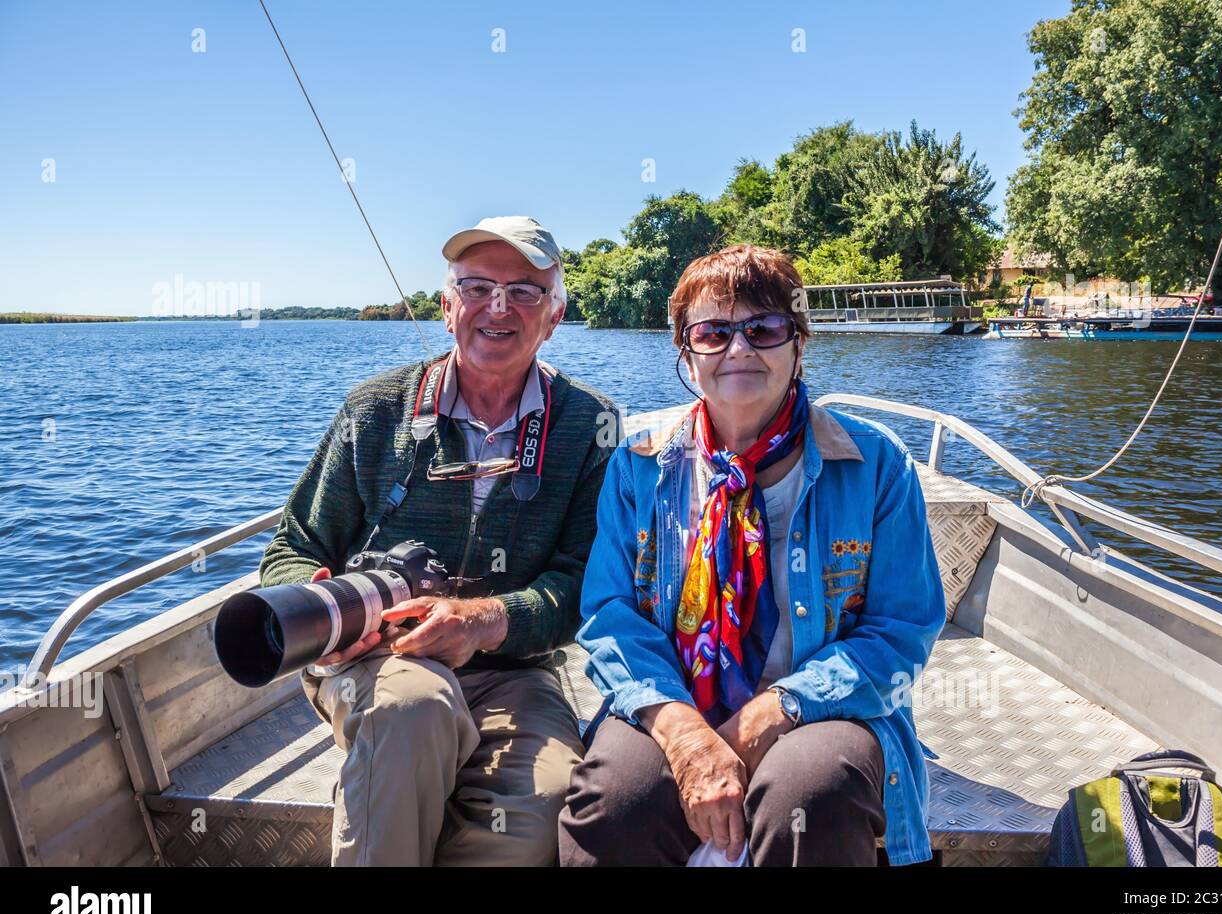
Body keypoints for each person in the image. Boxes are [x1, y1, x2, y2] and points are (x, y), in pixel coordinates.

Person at [557, 245, 947, 867]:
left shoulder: (876, 464)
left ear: (799, 343)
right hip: (670, 696)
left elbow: (902, 629)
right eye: (713, 333)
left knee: (810, 793)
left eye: (763, 329)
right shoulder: (637, 466)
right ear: (687, 352)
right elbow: (610, 614)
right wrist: (685, 733)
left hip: (822, 709)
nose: (738, 348)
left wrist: (778, 709)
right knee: (616, 801)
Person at [260, 216, 620, 866]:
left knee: (541, 808)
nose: (498, 308)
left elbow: (583, 586)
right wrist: (325, 606)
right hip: (377, 658)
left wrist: (484, 621)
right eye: (477, 287)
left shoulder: (589, 424)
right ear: (448, 306)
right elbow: (295, 545)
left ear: (555, 316)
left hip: (513, 673)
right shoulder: (375, 411)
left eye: (524, 292)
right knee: (413, 708)